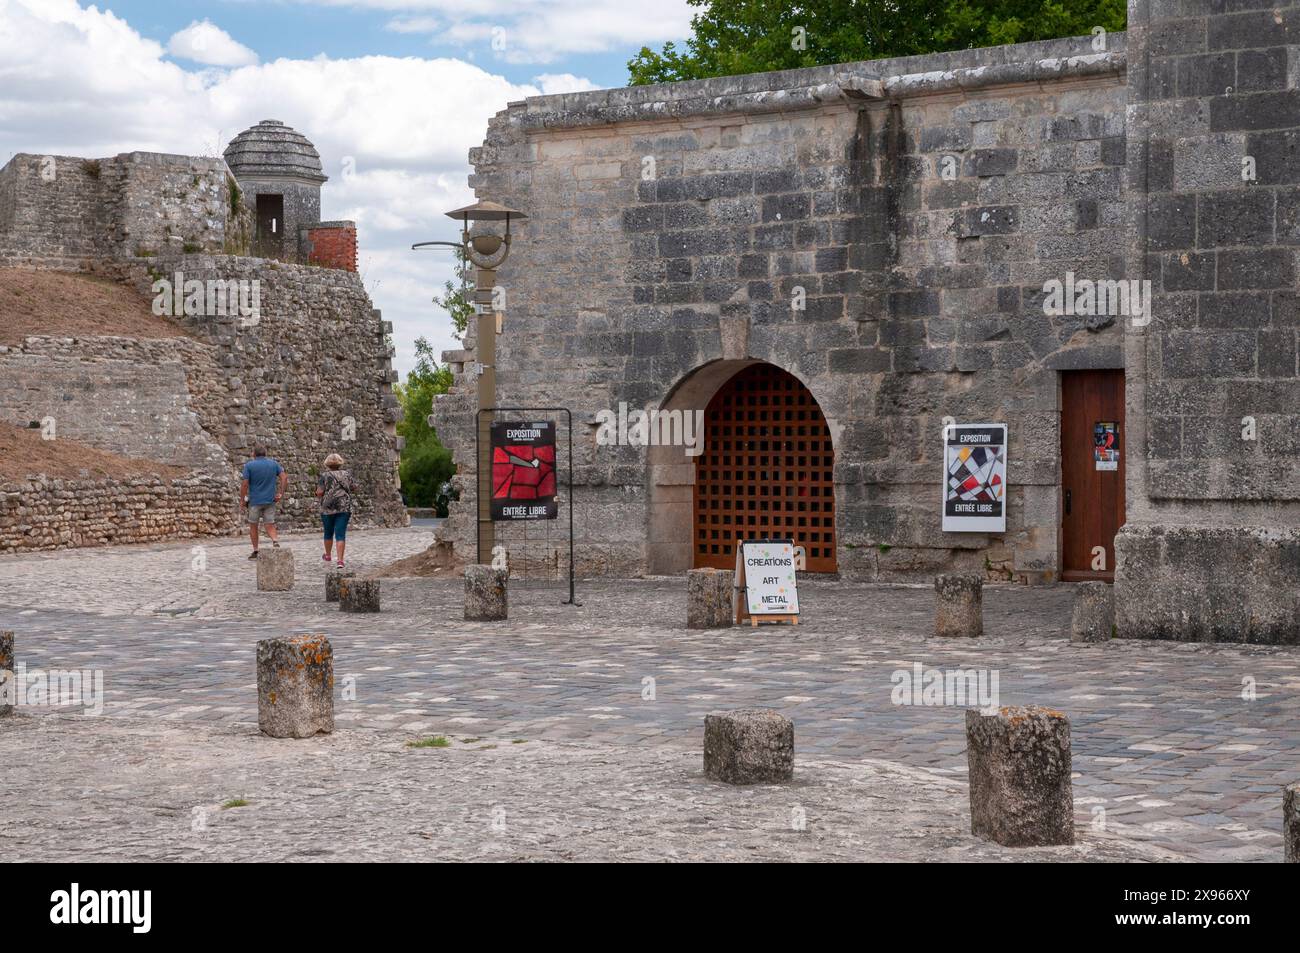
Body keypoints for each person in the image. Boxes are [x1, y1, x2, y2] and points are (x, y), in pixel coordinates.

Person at [241, 444, 286, 559]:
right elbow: (284, 477)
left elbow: (245, 483)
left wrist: (242, 499)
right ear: (265, 453)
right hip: (270, 499)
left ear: (254, 454)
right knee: (269, 524)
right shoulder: (273, 464)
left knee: (253, 525)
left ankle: (256, 550)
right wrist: (280, 493)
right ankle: (275, 541)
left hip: (255, 501)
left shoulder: (249, 466)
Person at [317, 453, 357, 568]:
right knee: (340, 534)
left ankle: (328, 555)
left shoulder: (324, 476)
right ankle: (340, 561)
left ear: (327, 463)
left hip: (327, 508)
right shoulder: (347, 474)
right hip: (344, 507)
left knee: (328, 532)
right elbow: (354, 487)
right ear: (340, 463)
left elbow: (319, 492)